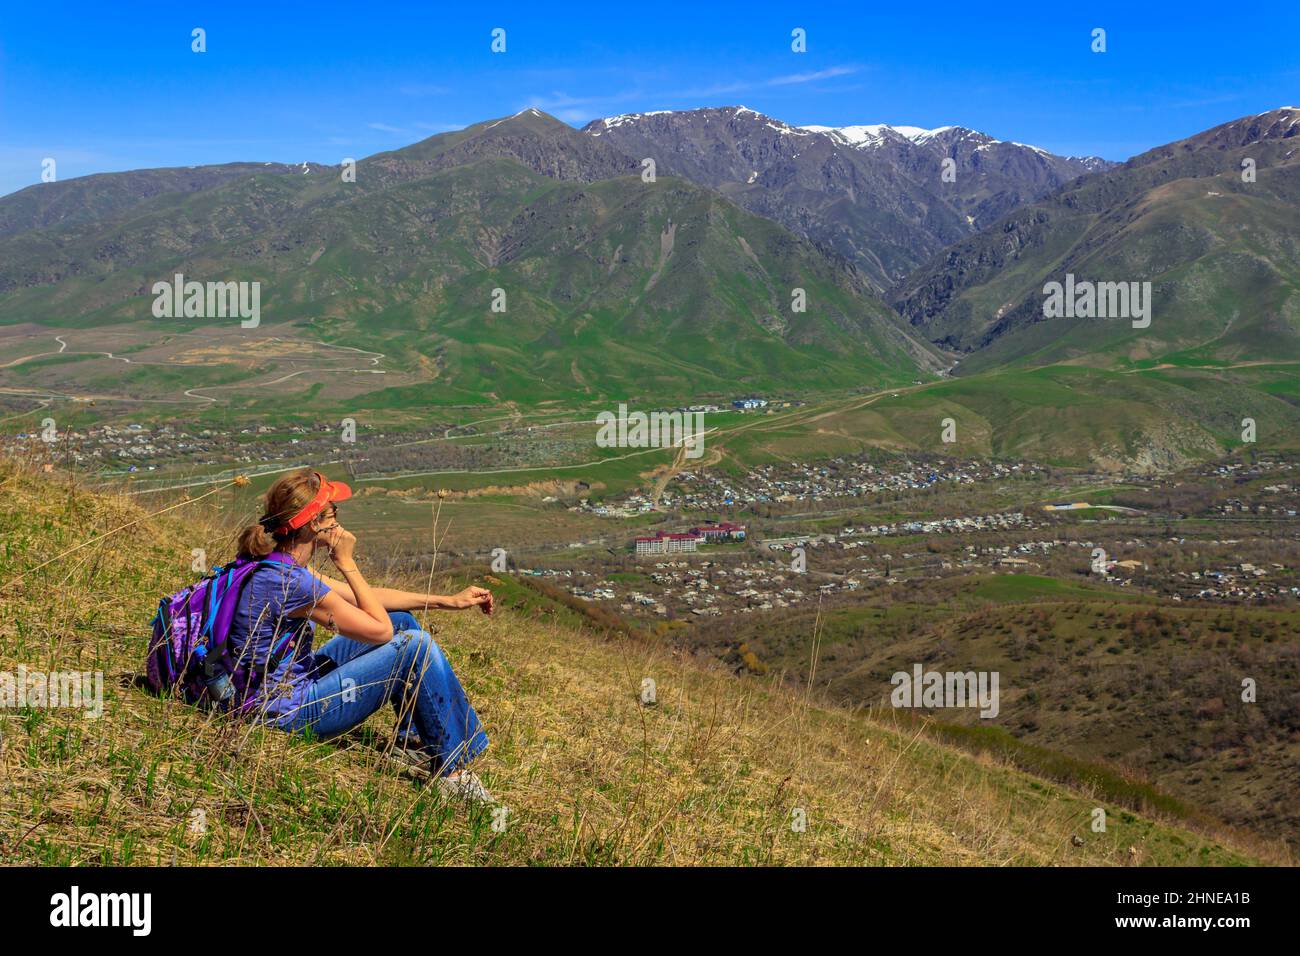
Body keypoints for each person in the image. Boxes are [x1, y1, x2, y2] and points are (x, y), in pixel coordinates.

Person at [228, 468, 494, 801]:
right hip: (288, 712)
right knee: (415, 647)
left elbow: (368, 602)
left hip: (281, 687)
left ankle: (413, 743)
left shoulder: (278, 563)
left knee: (401, 622)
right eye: (332, 512)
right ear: (314, 524)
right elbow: (378, 630)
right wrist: (346, 563)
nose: (339, 519)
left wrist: (446, 601)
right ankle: (452, 774)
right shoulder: (293, 583)